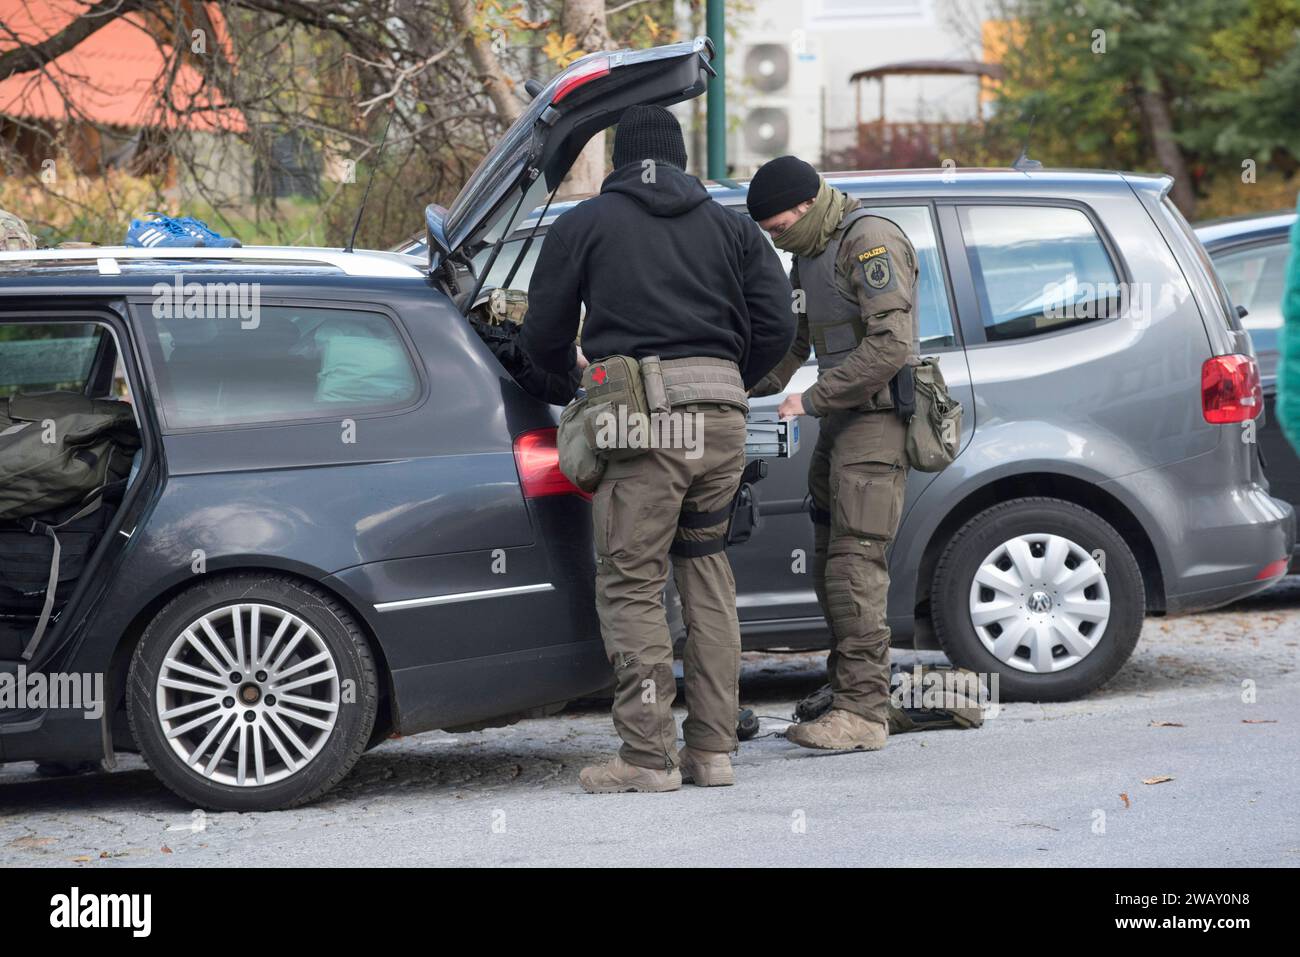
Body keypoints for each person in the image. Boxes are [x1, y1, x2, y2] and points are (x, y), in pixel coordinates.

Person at [520, 105, 794, 792]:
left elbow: (543, 333)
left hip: (646, 428)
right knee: (706, 573)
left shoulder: (584, 224)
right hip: (724, 419)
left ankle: (646, 756)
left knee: (633, 582)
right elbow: (780, 322)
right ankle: (712, 751)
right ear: (680, 159)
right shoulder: (733, 228)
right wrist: (731, 380)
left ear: (617, 161)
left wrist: (560, 383)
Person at [746, 155, 918, 752]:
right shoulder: (812, 249)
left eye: (776, 228)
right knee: (827, 558)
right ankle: (853, 689)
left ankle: (865, 714)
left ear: (802, 206)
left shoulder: (869, 240)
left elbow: (892, 345)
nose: (776, 238)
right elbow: (795, 342)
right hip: (844, 422)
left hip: (873, 425)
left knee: (854, 565)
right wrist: (741, 390)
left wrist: (811, 400)